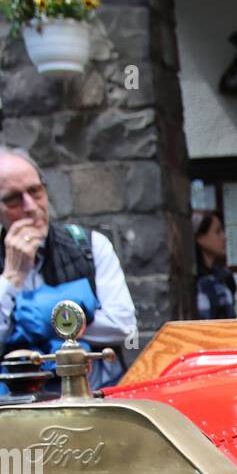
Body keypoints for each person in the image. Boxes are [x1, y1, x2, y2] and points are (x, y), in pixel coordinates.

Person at [0, 148, 136, 383]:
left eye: (35, 191)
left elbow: (124, 326)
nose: (30, 206)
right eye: (13, 199)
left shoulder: (89, 246)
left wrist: (46, 318)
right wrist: (11, 278)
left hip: (91, 395)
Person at [193, 210, 237, 319]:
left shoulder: (225, 276)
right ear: (200, 238)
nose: (224, 237)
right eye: (217, 232)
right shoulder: (193, 281)